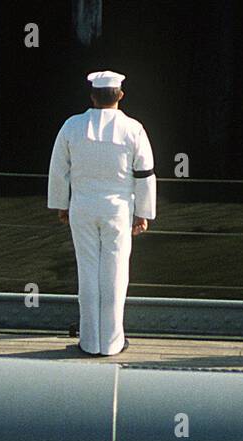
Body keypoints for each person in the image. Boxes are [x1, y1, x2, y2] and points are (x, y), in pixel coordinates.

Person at [48, 70, 155, 357]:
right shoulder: (134, 129)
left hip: (82, 207)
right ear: (120, 95)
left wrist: (62, 204)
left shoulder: (72, 126)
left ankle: (89, 340)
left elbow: (59, 169)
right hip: (118, 209)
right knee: (116, 272)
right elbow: (144, 174)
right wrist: (143, 213)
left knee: (87, 271)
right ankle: (112, 342)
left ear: (92, 96)